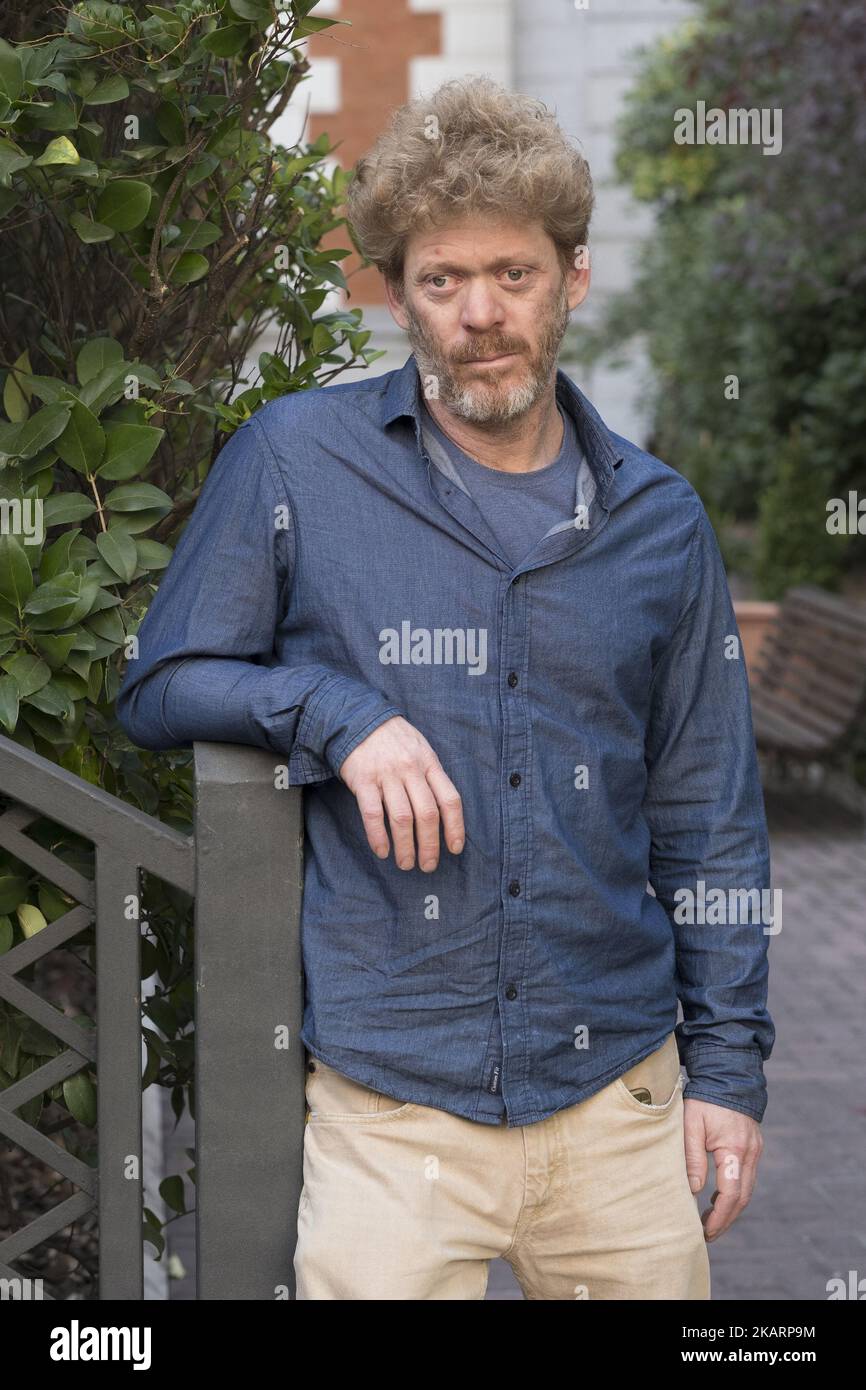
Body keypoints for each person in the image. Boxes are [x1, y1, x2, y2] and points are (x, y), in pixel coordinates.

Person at [116, 76, 774, 1301]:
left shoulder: (657, 521)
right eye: (441, 281)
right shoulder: (297, 461)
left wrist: (726, 1074)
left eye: (512, 276)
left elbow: (708, 814)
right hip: (390, 1111)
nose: (480, 314)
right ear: (394, 294)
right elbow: (160, 683)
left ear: (571, 278)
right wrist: (335, 714)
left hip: (619, 1102)